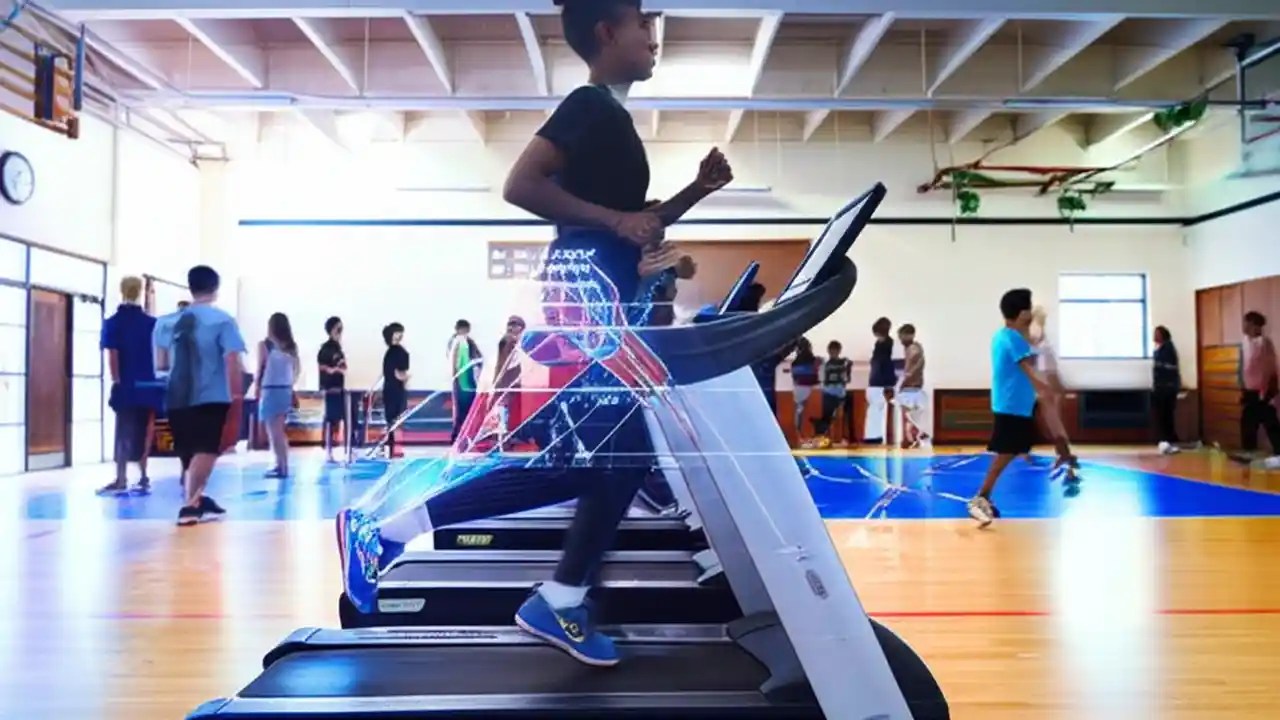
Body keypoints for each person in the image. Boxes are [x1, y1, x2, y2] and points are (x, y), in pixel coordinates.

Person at [338, 0, 732, 669]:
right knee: (614, 459)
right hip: (584, 301)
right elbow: (522, 184)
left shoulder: (612, 117)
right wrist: (614, 223)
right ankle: (553, 592)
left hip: (595, 300)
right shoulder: (589, 104)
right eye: (643, 26)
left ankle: (403, 538)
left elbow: (636, 223)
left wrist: (695, 191)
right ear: (608, 33)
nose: (653, 38)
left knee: (591, 464)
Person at [153, 265, 245, 526]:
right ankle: (190, 505)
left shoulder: (166, 323)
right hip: (211, 396)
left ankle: (197, 497)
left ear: (190, 287)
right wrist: (237, 398)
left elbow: (161, 364)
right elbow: (232, 361)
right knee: (207, 449)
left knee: (189, 452)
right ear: (215, 289)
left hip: (176, 396)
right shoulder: (223, 321)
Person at [967, 288, 1050, 528]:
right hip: (1012, 405)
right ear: (1022, 312)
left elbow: (1033, 342)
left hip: (1015, 404)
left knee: (1014, 449)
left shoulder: (1005, 335)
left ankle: (985, 495)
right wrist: (1045, 388)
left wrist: (1039, 324)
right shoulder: (1012, 338)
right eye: (1029, 308)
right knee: (1007, 451)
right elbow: (1027, 366)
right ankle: (981, 497)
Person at [97, 276, 165, 496]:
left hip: (127, 383)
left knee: (123, 429)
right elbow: (161, 355)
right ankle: (144, 475)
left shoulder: (114, 322)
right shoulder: (152, 324)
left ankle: (121, 476)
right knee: (146, 429)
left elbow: (113, 355)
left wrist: (117, 381)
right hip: (148, 382)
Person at [1027, 307, 1078, 479]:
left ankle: (1066, 457)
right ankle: (1064, 456)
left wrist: (1058, 392)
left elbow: (1051, 374)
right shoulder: (1038, 345)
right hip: (1044, 391)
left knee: (1054, 427)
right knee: (1050, 427)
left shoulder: (1044, 348)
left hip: (1048, 392)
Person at [254, 313, 301, 478]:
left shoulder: (265, 345)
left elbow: (261, 368)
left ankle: (280, 466)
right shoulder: (291, 347)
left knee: (273, 431)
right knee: (279, 430)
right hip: (285, 390)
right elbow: (296, 370)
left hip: (270, 388)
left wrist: (256, 387)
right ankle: (283, 464)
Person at [1232, 311, 1280, 468]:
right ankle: (1248, 452)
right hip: (1249, 391)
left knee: (1270, 422)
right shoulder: (1244, 342)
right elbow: (1242, 367)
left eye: (1246, 323)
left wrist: (1267, 392)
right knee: (1247, 423)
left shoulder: (1265, 343)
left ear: (1253, 325)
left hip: (1263, 391)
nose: (1243, 326)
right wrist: (1241, 387)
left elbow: (1270, 369)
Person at [811, 340, 852, 449]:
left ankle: (842, 437)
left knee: (838, 417)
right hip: (830, 392)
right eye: (832, 351)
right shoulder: (828, 364)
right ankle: (822, 439)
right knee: (827, 418)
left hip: (838, 393)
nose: (834, 353)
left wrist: (848, 369)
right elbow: (823, 379)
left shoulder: (843, 363)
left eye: (835, 351)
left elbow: (846, 379)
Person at [318, 316, 348, 464]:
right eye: (338, 328)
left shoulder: (338, 348)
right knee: (330, 419)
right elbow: (322, 366)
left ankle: (337, 448)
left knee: (338, 419)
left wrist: (340, 368)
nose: (340, 332)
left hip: (339, 387)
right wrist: (333, 369)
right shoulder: (326, 348)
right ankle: (328, 451)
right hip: (331, 388)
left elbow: (343, 367)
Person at [895, 324, 930, 450]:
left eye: (901, 337)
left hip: (910, 389)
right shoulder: (914, 348)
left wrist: (900, 384)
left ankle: (913, 438)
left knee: (909, 417)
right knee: (911, 417)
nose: (900, 340)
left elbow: (909, 371)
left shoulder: (913, 349)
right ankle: (912, 438)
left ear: (909, 335)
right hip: (913, 388)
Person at [448, 319, 483, 444]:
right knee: (461, 411)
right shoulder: (457, 342)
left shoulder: (468, 342)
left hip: (467, 381)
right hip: (461, 381)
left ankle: (464, 436)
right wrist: (454, 377)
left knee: (466, 410)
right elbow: (453, 362)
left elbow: (478, 358)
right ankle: (457, 436)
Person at [1151, 325, 1181, 455]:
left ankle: (1168, 440)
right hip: (1160, 386)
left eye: (1157, 333)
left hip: (1167, 387)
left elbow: (1171, 367)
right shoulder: (1159, 348)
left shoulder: (1168, 347)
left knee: (1166, 414)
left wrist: (1159, 366)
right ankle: (1166, 439)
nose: (1155, 336)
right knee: (1162, 415)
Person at [864, 317, 895, 445]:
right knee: (875, 409)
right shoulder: (880, 345)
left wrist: (889, 384)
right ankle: (873, 435)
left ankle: (875, 436)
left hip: (881, 382)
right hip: (876, 381)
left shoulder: (887, 346)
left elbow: (887, 365)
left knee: (877, 409)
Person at [381, 322, 410, 459]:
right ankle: (395, 447)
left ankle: (392, 447)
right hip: (395, 389)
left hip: (390, 388)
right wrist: (405, 377)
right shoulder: (398, 352)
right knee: (397, 418)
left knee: (391, 419)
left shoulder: (390, 353)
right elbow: (399, 373)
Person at [789, 337, 820, 446]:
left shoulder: (795, 363)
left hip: (800, 389)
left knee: (799, 412)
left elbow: (795, 377)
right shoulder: (815, 360)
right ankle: (812, 437)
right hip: (813, 388)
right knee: (809, 413)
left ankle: (800, 436)